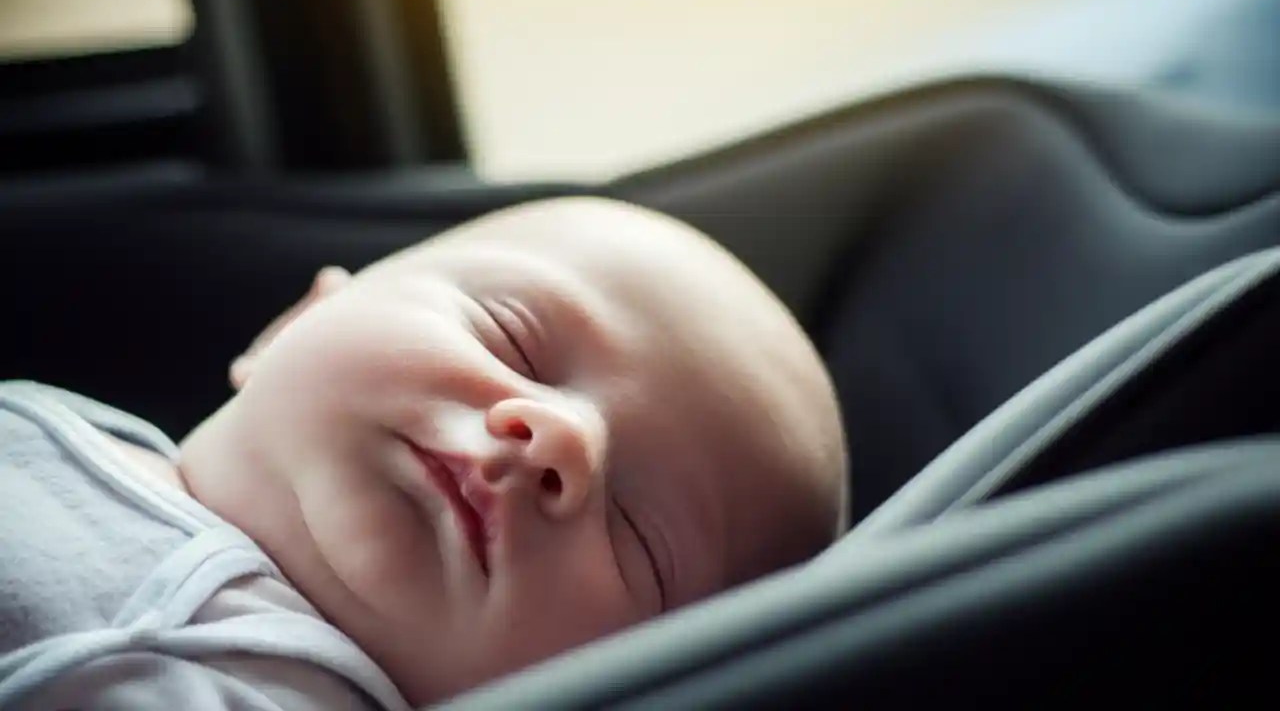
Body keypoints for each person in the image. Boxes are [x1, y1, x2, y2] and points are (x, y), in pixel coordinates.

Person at [0, 197, 848, 709]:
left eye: (644, 540)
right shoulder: (29, 426)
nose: (563, 440)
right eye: (511, 338)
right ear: (297, 321)